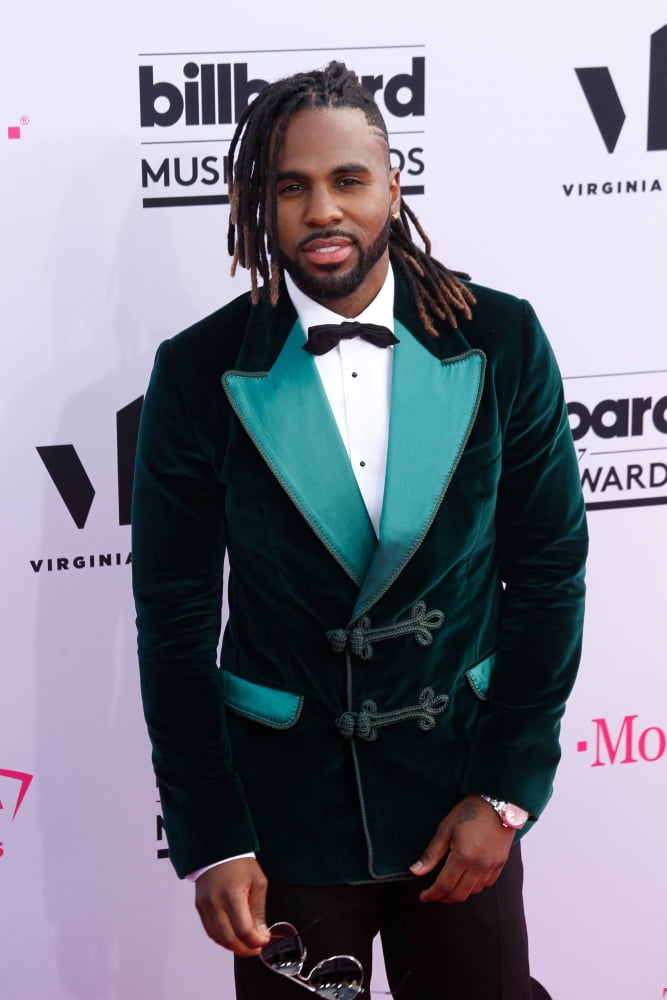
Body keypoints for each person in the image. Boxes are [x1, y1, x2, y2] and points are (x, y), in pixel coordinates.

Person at [132, 61, 587, 1000]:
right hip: (287, 822)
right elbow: (173, 622)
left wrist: (504, 794)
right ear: (258, 203)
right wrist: (211, 834)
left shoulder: (500, 337)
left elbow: (548, 574)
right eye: (290, 187)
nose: (321, 210)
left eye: (347, 179)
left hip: (457, 797)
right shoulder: (197, 371)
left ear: (392, 183)